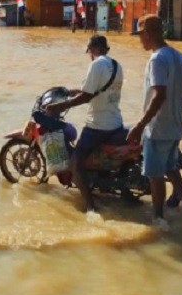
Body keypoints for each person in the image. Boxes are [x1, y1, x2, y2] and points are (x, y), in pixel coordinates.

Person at [127, 14, 182, 229]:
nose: (139, 41)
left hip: (158, 128)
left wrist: (140, 125)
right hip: (175, 125)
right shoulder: (179, 56)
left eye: (140, 35)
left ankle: (159, 219)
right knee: (171, 167)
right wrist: (178, 109)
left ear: (147, 34)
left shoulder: (157, 59)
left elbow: (159, 95)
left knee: (155, 175)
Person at [44, 35, 124, 212]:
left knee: (74, 165)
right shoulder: (117, 65)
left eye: (88, 50)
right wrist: (74, 92)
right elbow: (99, 89)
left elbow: (87, 97)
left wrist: (59, 106)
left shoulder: (96, 65)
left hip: (98, 126)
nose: (89, 54)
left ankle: (90, 206)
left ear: (93, 48)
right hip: (116, 122)